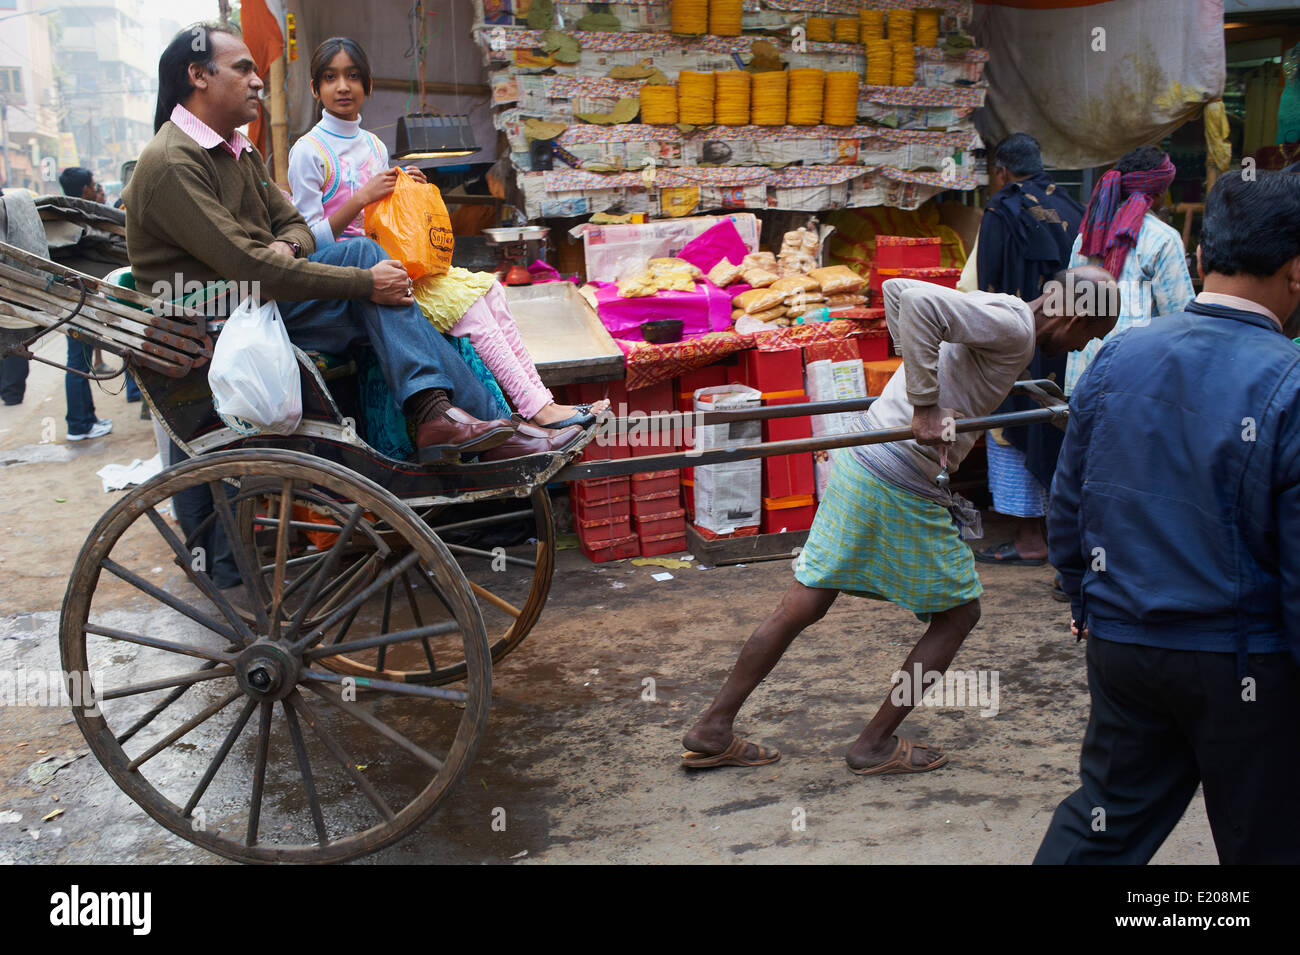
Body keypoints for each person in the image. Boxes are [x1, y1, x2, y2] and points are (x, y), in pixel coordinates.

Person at [680, 268, 1118, 774]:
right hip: (899, 474)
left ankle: (714, 726)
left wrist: (934, 390)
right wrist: (926, 405)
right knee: (959, 613)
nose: (1083, 344)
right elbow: (916, 308)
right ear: (1074, 315)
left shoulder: (1003, 310)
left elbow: (897, 291)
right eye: (1090, 333)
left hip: (863, 457)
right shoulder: (1015, 327)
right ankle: (872, 746)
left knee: (805, 601)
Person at [126, 23, 581, 463]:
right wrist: (361, 282)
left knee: (384, 274)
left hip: (261, 298)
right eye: (242, 69)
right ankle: (468, 421)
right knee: (373, 272)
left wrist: (286, 249)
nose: (257, 80)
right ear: (199, 75)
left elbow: (294, 226)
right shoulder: (173, 161)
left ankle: (448, 417)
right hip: (223, 322)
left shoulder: (236, 148)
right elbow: (250, 267)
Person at [1035, 170, 1300, 865]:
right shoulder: (1289, 382)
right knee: (1265, 836)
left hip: (1124, 641)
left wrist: (1083, 594)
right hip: (1243, 661)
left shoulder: (1122, 353)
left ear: (1202, 260)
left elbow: (1070, 500)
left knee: (1103, 823)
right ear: (1297, 274)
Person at [286, 36, 605, 429]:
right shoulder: (308, 151)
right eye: (330, 77)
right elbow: (307, 243)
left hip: (397, 264)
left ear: (368, 85)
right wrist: (360, 198)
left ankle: (537, 404)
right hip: (356, 282)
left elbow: (387, 215)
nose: (342, 87)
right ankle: (536, 412)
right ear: (316, 88)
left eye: (352, 76)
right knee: (471, 309)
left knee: (493, 291)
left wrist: (407, 185)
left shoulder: (372, 145)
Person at [970, 133, 1084, 569]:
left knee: (1012, 427)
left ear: (1001, 171)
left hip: (1021, 336)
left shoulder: (1002, 208)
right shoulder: (1073, 206)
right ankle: (1060, 534)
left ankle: (1030, 537)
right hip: (1069, 339)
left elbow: (989, 289)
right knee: (1056, 425)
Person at [1064, 145, 1194, 396]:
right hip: (1134, 383)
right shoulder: (1163, 238)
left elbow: (1067, 304)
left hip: (1082, 378)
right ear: (1158, 194)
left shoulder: (1087, 235)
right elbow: (1181, 321)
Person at [57, 167, 113, 440]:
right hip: (77, 304)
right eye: (93, 184)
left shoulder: (73, 219)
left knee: (81, 361)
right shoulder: (75, 222)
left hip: (78, 303)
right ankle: (78, 425)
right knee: (78, 362)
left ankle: (87, 420)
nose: (96, 188)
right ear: (84, 191)